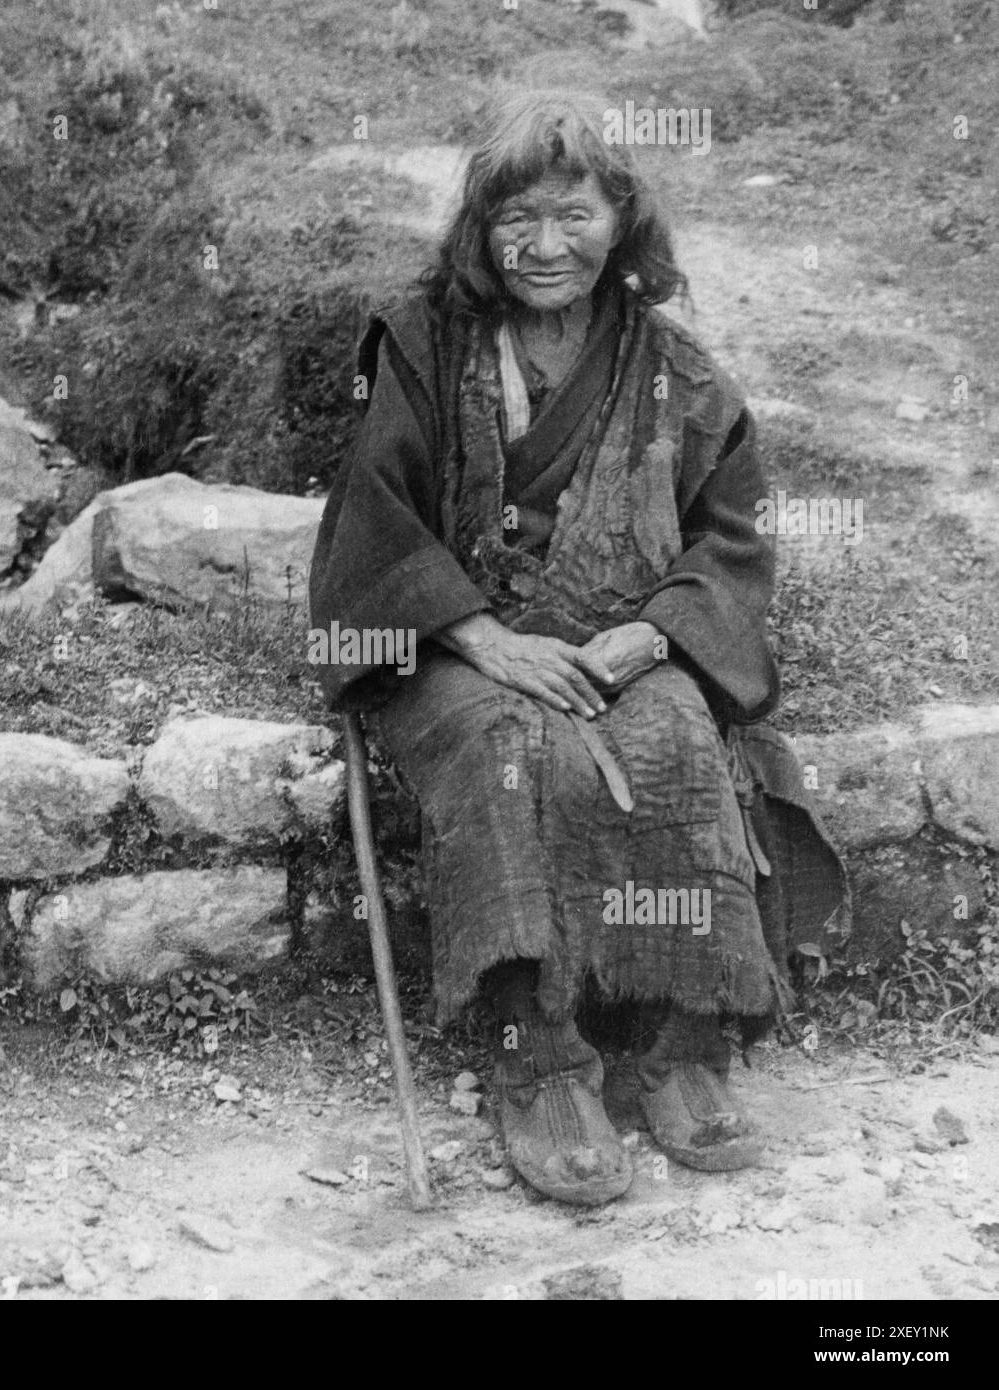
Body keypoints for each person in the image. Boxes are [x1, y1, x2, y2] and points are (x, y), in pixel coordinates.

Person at [309, 89, 847, 1206]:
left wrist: (651, 634)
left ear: (621, 220)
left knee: (677, 743)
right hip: (454, 643)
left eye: (573, 216)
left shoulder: (676, 370)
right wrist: (485, 641)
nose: (543, 247)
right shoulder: (417, 342)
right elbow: (373, 515)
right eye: (516, 219)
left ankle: (681, 1039)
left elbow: (731, 537)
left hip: (620, 637)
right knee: (514, 747)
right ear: (480, 228)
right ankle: (537, 1057)